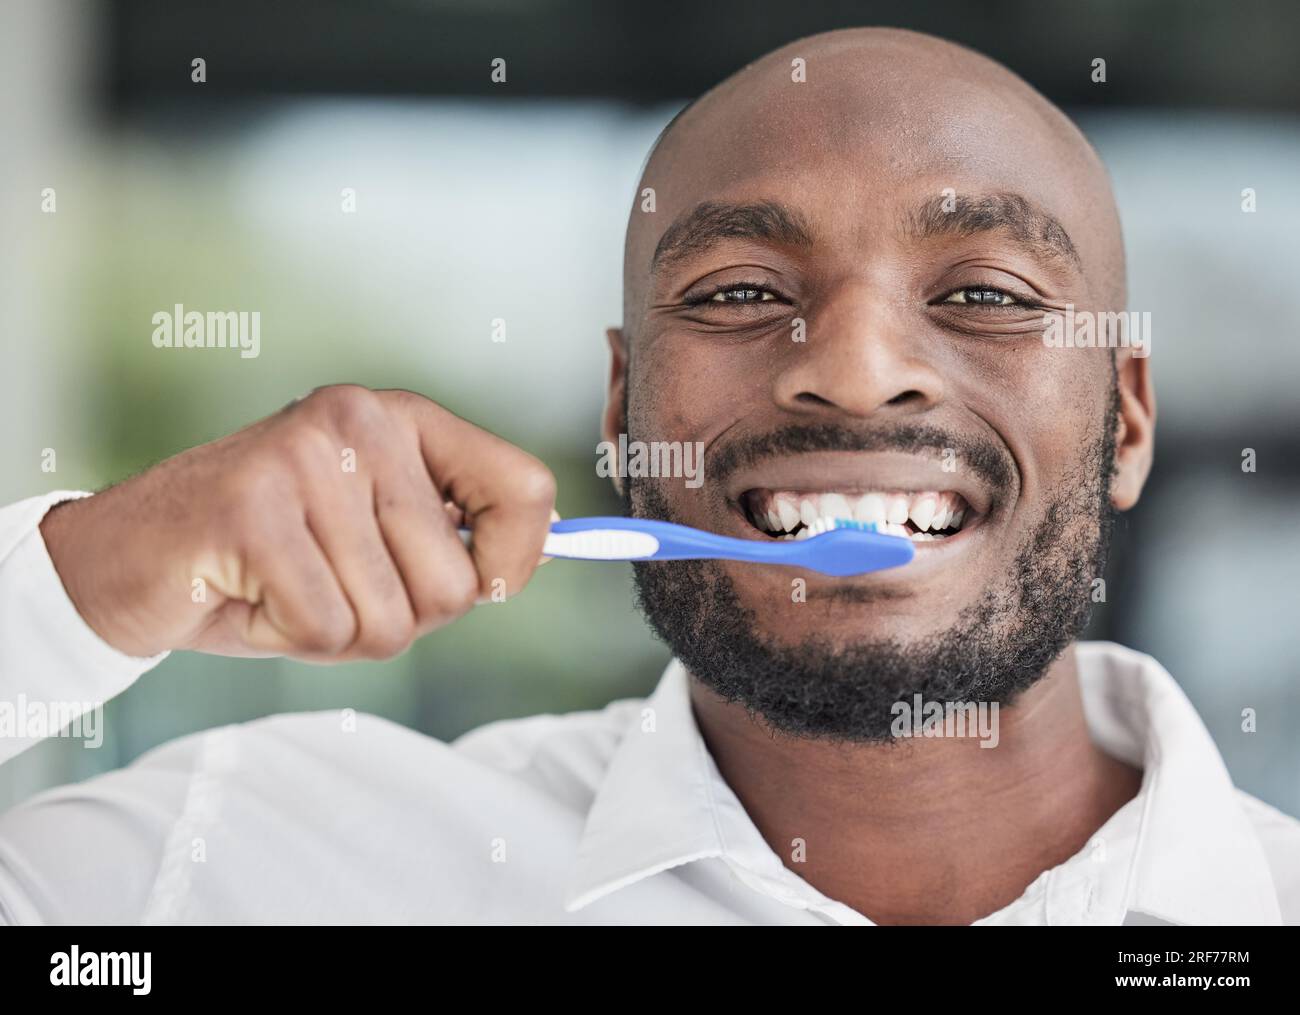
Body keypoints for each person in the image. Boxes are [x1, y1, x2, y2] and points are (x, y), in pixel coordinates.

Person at [1, 27, 1296, 926]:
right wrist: (80, 587)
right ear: (624, 417)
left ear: (1127, 425)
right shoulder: (242, 862)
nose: (852, 370)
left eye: (982, 294)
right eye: (739, 293)